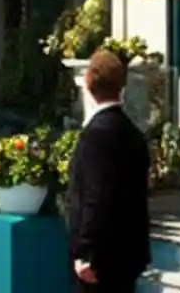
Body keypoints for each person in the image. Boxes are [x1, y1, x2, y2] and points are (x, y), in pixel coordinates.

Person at [67, 49, 151, 292]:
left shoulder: (95, 135)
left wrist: (85, 252)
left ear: (89, 83)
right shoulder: (134, 135)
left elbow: (95, 197)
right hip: (128, 255)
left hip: (99, 261)